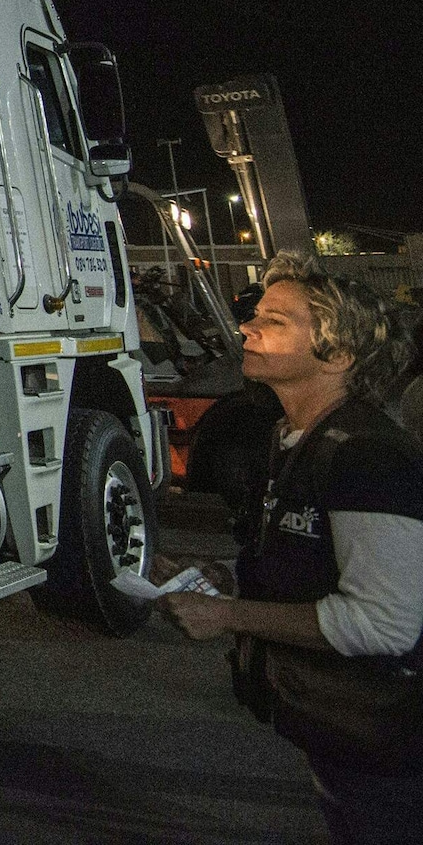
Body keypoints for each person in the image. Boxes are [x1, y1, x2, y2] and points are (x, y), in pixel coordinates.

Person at [162, 252, 423, 842]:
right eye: (257, 315)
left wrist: (226, 614)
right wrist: (227, 575)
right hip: (345, 730)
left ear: (337, 353)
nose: (248, 326)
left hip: (390, 743)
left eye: (275, 321)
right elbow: (314, 560)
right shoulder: (294, 437)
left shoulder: (367, 456)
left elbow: (384, 624)